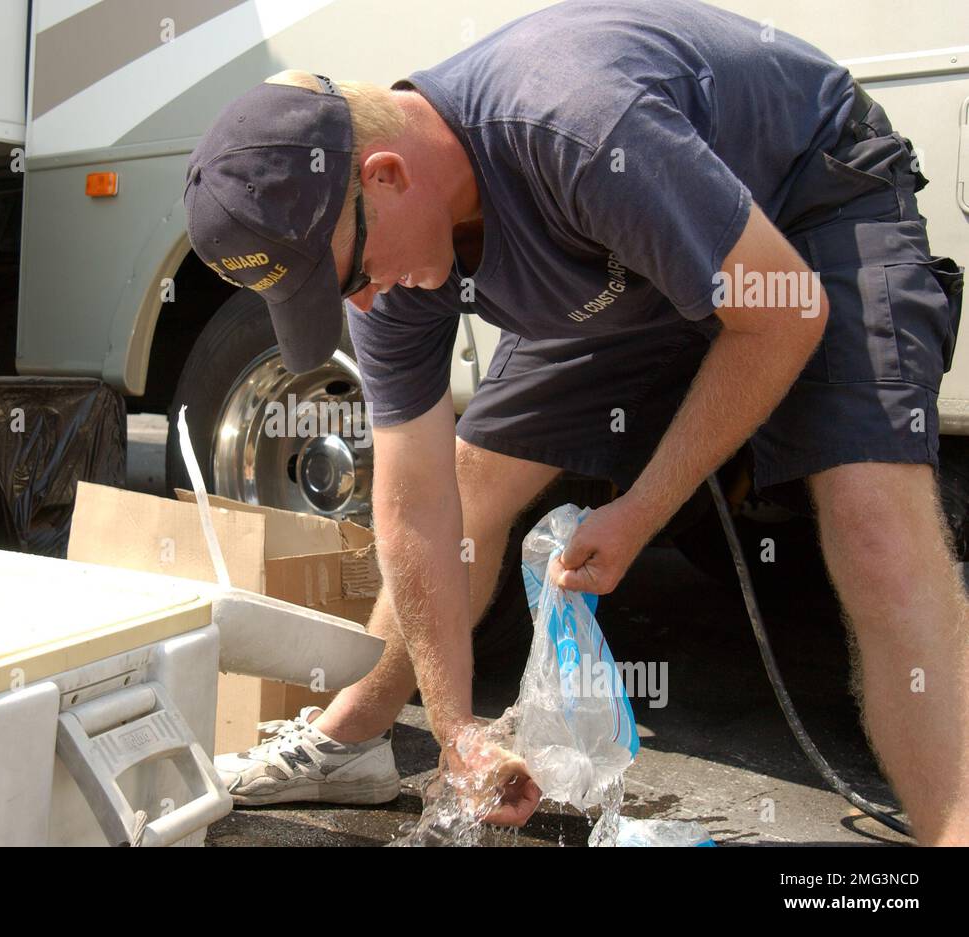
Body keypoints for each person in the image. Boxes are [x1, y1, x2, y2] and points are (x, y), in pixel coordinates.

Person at [182, 0, 967, 843]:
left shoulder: (578, 124)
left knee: (876, 525)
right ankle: (358, 731)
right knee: (473, 479)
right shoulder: (384, 260)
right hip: (630, 258)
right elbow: (413, 505)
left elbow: (783, 316)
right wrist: (455, 730)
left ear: (387, 175)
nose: (366, 302)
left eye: (354, 273)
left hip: (804, 207)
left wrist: (637, 513)